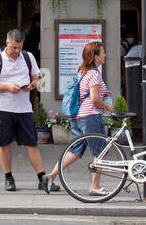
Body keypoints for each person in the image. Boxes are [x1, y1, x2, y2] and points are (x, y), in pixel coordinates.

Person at [0, 29, 53, 192]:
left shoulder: (28, 57)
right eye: (14, 47)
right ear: (7, 43)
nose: (17, 51)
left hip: (24, 108)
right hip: (2, 108)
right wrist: (7, 87)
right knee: (4, 143)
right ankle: (8, 178)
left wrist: (31, 85)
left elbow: (36, 79)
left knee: (32, 143)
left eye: (19, 48)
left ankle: (42, 179)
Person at [45, 40, 114, 196]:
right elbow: (95, 100)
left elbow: (87, 94)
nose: (105, 54)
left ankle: (50, 177)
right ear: (96, 56)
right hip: (91, 117)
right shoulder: (94, 74)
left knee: (75, 151)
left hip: (78, 117)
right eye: (102, 52)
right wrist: (108, 106)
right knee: (100, 152)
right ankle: (95, 187)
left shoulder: (82, 71)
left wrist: (103, 93)